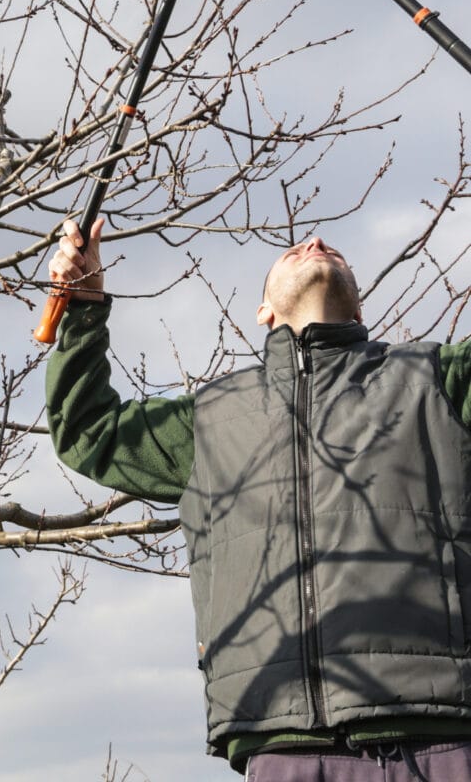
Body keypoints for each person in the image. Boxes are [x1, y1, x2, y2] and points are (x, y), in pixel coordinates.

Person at [45, 217, 471, 780]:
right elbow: (88, 431)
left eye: (331, 249)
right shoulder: (209, 420)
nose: (316, 243)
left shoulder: (439, 380)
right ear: (264, 312)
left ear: (360, 311)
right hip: (282, 743)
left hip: (441, 737)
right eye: (296, 247)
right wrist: (83, 304)